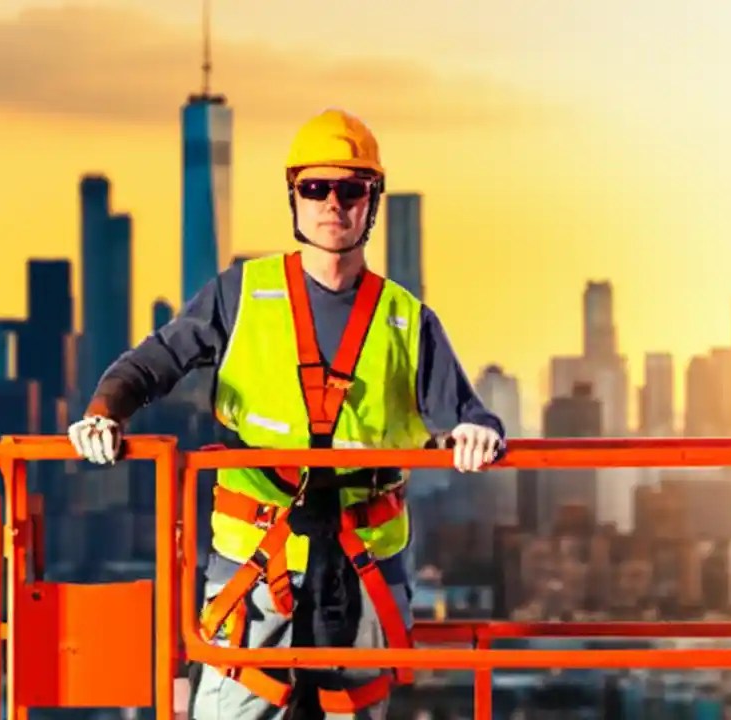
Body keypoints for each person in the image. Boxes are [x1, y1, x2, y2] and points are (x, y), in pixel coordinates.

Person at [68, 108, 506, 719]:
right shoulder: (241, 294)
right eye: (316, 188)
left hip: (363, 570)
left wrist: (476, 435)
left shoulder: (405, 320)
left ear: (372, 202)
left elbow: (466, 414)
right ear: (294, 198)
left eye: (351, 189)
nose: (333, 203)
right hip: (255, 567)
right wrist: (104, 414)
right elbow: (150, 362)